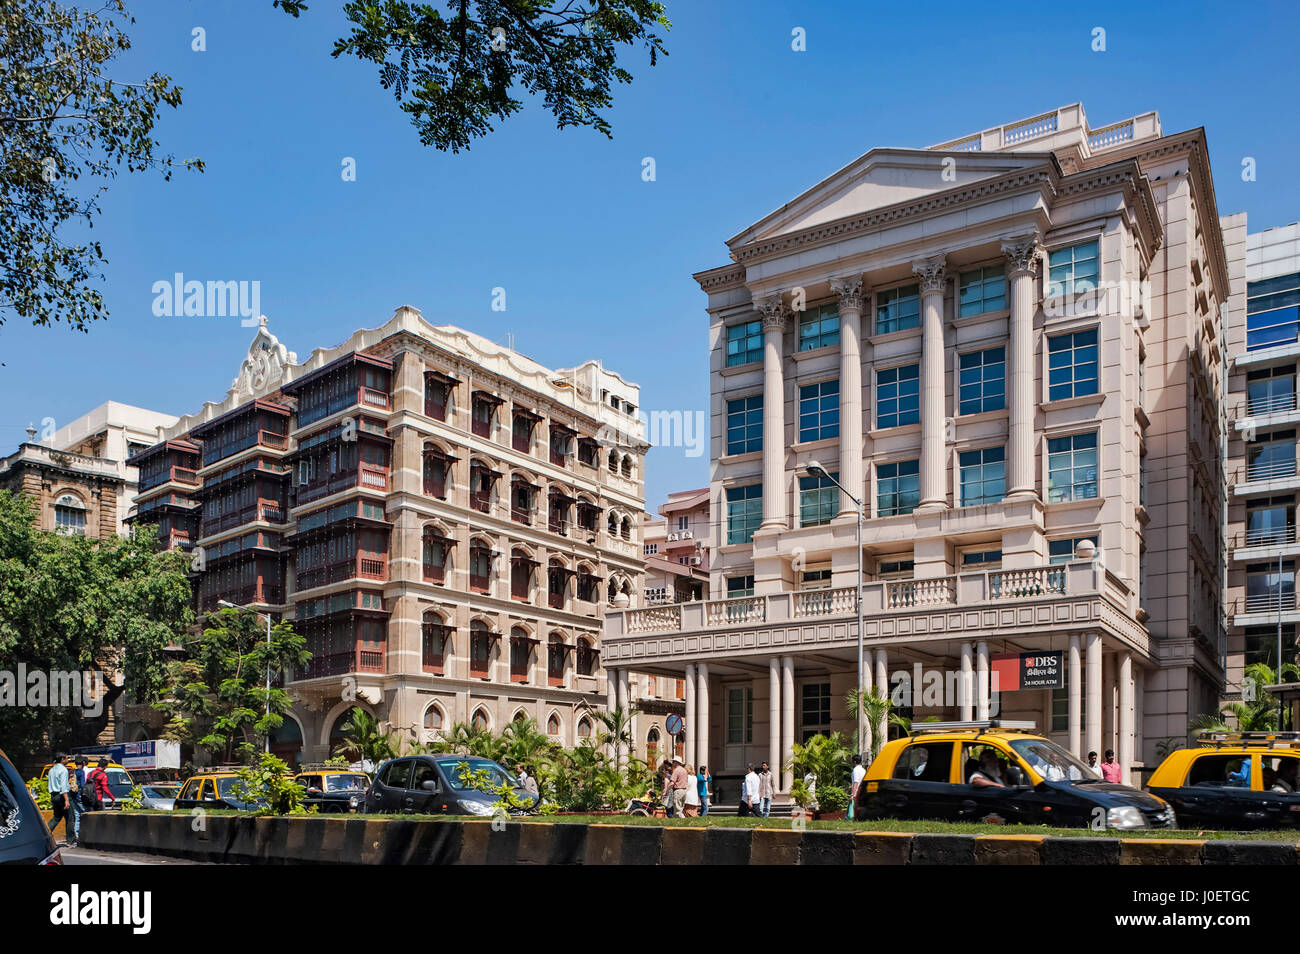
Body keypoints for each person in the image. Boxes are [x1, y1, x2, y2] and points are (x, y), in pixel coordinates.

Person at [46, 753, 70, 844]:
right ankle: (70, 841)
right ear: (62, 759)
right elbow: (63, 787)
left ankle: (46, 834)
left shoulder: (51, 770)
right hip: (61, 796)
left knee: (56, 817)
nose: (68, 760)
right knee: (70, 818)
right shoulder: (63, 770)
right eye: (67, 758)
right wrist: (66, 800)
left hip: (54, 795)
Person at [66, 756, 88, 848]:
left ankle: (76, 834)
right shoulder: (81, 772)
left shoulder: (72, 772)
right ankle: (86, 833)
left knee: (76, 814)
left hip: (72, 795)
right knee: (86, 812)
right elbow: (82, 784)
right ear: (83, 764)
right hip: (78, 795)